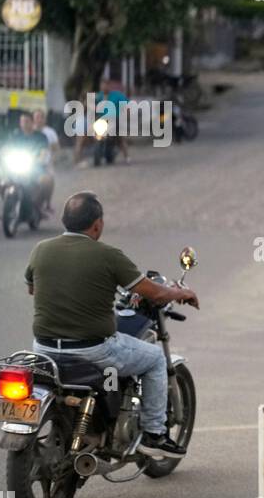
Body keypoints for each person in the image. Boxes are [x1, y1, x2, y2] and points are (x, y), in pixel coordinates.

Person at [24, 192, 199, 454]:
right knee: (156, 360)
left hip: (44, 349)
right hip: (92, 350)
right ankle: (154, 433)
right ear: (97, 224)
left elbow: (33, 289)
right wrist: (182, 293)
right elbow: (156, 293)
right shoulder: (107, 255)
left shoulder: (41, 249)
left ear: (64, 220)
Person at [1, 112, 55, 216]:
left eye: (26, 121)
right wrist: (0, 157)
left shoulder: (40, 136)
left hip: (35, 167)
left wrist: (41, 158)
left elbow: (44, 150)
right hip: (16, 166)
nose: (24, 124)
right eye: (22, 121)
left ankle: (38, 205)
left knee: (47, 180)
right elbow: (6, 148)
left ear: (32, 122)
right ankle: (7, 206)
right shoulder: (15, 135)